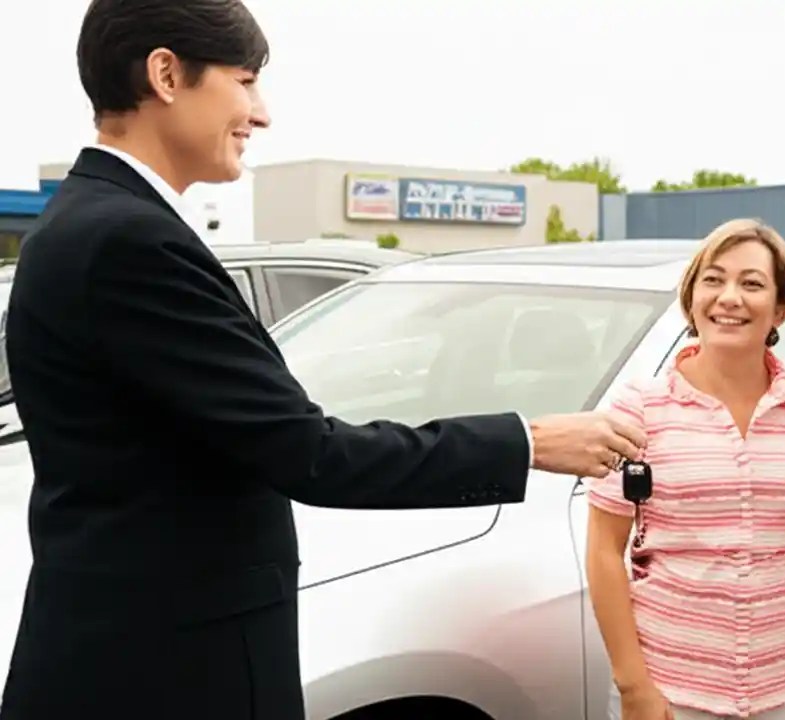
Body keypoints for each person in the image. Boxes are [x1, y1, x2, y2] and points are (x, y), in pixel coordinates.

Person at [0, 2, 644, 719]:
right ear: (166, 74)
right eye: (244, 82)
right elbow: (308, 451)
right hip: (166, 670)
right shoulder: (129, 242)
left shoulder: (85, 223)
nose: (260, 112)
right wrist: (529, 441)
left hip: (123, 648)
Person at [585, 219, 785, 720]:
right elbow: (605, 552)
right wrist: (634, 687)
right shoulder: (640, 409)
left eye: (751, 283)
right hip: (672, 689)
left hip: (782, 687)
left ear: (782, 306)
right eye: (712, 280)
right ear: (692, 298)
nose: (729, 297)